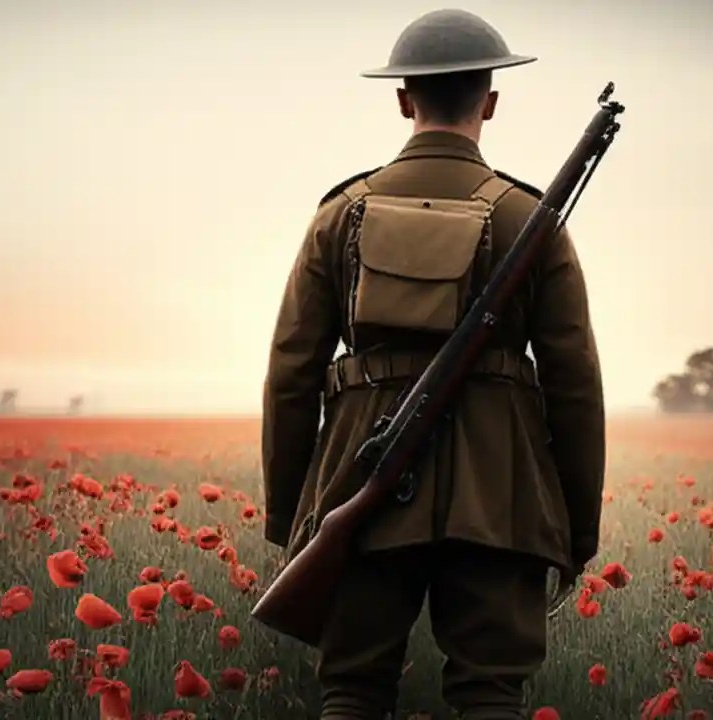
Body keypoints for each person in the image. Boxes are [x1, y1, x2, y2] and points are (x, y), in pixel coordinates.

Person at [261, 8, 606, 719]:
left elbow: (292, 374)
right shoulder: (528, 219)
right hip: (501, 492)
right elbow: (574, 385)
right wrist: (574, 528)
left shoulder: (338, 214)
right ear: (490, 101)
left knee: (352, 689)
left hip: (357, 477)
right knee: (490, 693)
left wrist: (295, 515)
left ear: (402, 99)